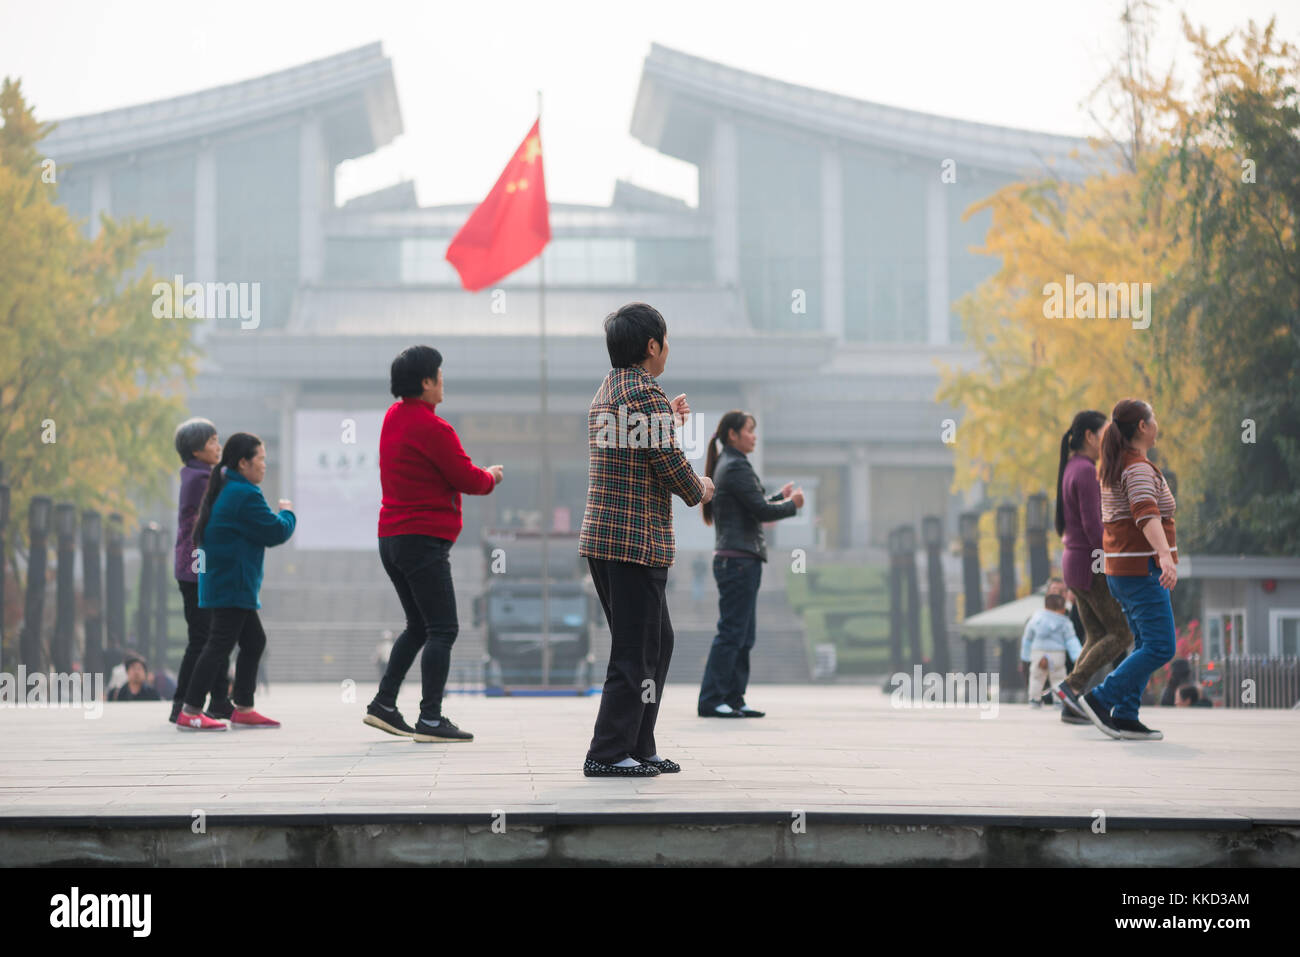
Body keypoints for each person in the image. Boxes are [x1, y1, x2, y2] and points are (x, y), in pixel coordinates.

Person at [578, 302, 714, 777]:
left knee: (656, 642)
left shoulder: (609, 391)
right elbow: (672, 469)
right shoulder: (648, 395)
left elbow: (634, 446)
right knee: (636, 650)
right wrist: (702, 488)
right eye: (665, 341)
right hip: (635, 542)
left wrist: (666, 422)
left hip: (604, 540)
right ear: (652, 346)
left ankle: (639, 744)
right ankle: (608, 752)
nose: (667, 349)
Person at [364, 345, 502, 743]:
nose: (443, 382)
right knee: (443, 628)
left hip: (390, 538)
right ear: (426, 382)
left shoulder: (393, 418)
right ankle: (430, 718)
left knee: (419, 626)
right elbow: (467, 478)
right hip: (421, 541)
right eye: (439, 375)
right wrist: (491, 475)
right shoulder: (434, 428)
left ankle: (384, 704)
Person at [1068, 399, 1177, 741]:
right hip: (1141, 569)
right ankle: (1100, 700)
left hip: (1123, 571)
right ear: (1142, 427)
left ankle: (1127, 714)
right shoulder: (1138, 469)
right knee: (1161, 645)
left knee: (1145, 641)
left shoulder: (1117, 467)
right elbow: (1146, 515)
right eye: (1153, 418)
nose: (1157, 423)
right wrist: (1166, 556)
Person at [177, 432, 296, 731]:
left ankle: (243, 707)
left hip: (226, 582)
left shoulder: (229, 487)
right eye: (260, 459)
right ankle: (190, 710)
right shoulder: (244, 494)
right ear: (243, 463)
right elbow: (275, 532)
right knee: (218, 645)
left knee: (253, 641)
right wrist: (288, 513)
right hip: (232, 583)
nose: (264, 465)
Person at [696, 410, 802, 718]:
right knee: (732, 633)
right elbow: (761, 511)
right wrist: (791, 505)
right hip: (738, 560)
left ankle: (733, 698)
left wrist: (777, 497)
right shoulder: (736, 466)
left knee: (742, 634)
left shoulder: (731, 464)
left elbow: (753, 505)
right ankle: (713, 699)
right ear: (733, 435)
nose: (754, 436)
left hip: (739, 559)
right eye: (750, 430)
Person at [1052, 410, 1135, 724]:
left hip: (1073, 565)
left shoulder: (1072, 468)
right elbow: (1093, 526)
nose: (1109, 441)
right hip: (1091, 565)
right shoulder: (1086, 470)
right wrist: (1115, 560)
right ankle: (1071, 687)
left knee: (1096, 633)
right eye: (1104, 434)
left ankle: (1070, 705)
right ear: (1089, 436)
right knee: (1123, 634)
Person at [168, 418, 234, 724]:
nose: (218, 446)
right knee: (202, 637)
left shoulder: (201, 474)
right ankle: (183, 703)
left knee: (213, 635)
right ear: (196, 450)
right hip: (196, 568)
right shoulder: (200, 479)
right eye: (212, 442)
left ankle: (220, 700)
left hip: (199, 566)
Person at [1020, 593, 1082, 707]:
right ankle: (1059, 701)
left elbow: (1027, 639)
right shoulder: (1065, 622)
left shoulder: (1035, 619)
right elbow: (1071, 640)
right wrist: (1077, 656)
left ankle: (1034, 699)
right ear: (1062, 609)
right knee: (1058, 678)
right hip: (1057, 653)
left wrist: (1025, 655)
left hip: (1038, 652)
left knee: (1036, 677)